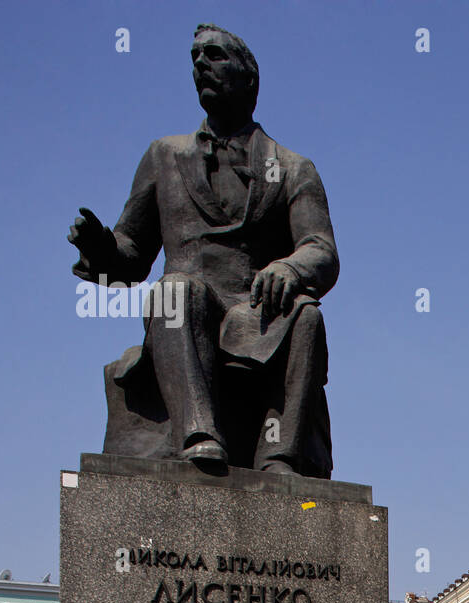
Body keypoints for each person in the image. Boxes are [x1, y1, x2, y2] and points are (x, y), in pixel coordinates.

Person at [69, 23, 339, 477]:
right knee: (177, 290)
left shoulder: (292, 167)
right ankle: (199, 435)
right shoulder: (163, 156)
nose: (201, 66)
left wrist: (291, 268)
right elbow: (132, 255)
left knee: (307, 314)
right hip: (186, 313)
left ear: (248, 77)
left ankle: (279, 457)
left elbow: (321, 250)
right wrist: (102, 250)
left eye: (214, 57)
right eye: (196, 59)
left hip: (256, 311)